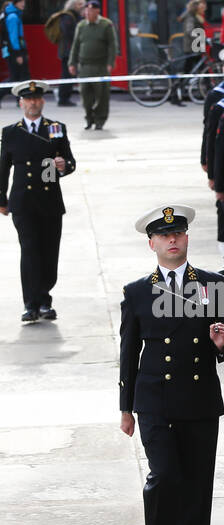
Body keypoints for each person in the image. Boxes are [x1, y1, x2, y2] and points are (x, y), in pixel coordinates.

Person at [119, 204, 224, 525]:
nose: (172, 240)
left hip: (200, 400)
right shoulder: (137, 292)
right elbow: (128, 352)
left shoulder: (213, 285)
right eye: (164, 236)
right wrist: (125, 407)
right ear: (152, 243)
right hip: (155, 400)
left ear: (186, 239)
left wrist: (223, 345)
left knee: (196, 488)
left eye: (179, 234)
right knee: (164, 479)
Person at [1, 80, 78, 323]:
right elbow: (3, 168)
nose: (33, 103)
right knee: (30, 250)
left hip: (49, 201)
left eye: (37, 98)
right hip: (23, 202)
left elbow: (70, 162)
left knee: (48, 252)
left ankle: (44, 296)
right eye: (28, 99)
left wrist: (64, 167)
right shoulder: (10, 132)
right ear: (20, 102)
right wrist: (1, 198)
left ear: (43, 101)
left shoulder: (56, 128)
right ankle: (33, 303)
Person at [69, 1, 117, 131]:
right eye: (86, 11)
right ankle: (89, 119)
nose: (87, 13)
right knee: (85, 96)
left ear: (97, 11)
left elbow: (112, 46)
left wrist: (110, 63)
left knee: (102, 96)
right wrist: (72, 63)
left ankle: (100, 120)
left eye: (90, 11)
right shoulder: (81, 26)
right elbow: (75, 45)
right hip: (84, 66)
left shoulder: (106, 25)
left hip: (100, 66)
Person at [56, 1, 85, 107]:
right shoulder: (68, 16)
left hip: (71, 50)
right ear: (73, 5)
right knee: (67, 74)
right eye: (79, 4)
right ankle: (63, 98)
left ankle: (65, 97)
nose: (82, 6)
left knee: (70, 74)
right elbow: (69, 33)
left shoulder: (76, 16)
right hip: (67, 51)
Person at [1, 0, 29, 103]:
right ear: (15, 3)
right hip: (14, 52)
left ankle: (21, 99)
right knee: (16, 77)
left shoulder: (14, 14)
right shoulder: (13, 17)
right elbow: (13, 38)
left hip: (13, 51)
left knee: (18, 76)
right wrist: (18, 54)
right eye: (21, 2)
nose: (24, 4)